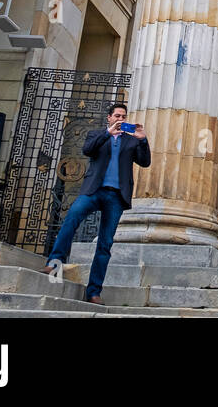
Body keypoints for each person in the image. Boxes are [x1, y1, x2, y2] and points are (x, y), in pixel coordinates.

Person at [42, 102, 150, 304]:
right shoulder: (96, 135)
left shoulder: (131, 141)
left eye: (123, 116)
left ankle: (94, 292)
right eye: (117, 115)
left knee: (105, 244)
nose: (120, 119)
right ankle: (55, 263)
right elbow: (87, 150)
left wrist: (143, 140)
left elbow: (145, 162)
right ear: (109, 117)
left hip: (116, 197)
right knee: (71, 219)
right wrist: (108, 133)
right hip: (93, 191)